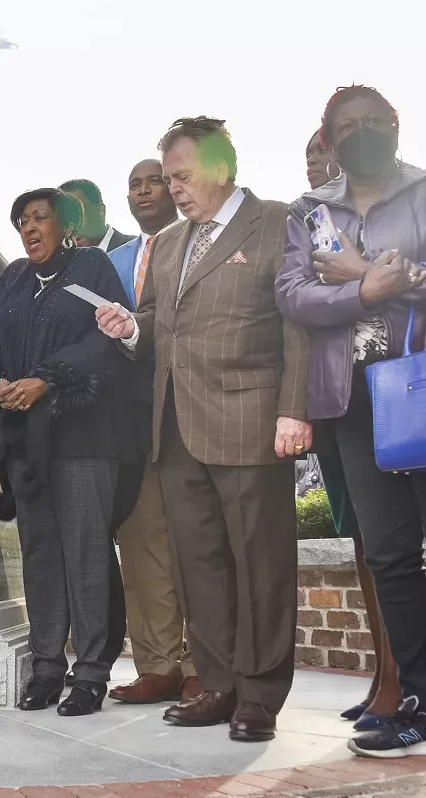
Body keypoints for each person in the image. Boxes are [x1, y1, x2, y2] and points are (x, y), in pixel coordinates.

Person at [96, 117, 310, 743]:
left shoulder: (275, 220)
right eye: (168, 178)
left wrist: (294, 409)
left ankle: (260, 695)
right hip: (177, 428)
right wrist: (131, 329)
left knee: (260, 564)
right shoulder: (167, 243)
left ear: (219, 167)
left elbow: (298, 322)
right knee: (200, 567)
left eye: (182, 176)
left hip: (252, 422)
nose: (174, 189)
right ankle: (216, 685)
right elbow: (160, 321)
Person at [274, 86, 426, 758]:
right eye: (347, 126)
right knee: (390, 552)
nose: (361, 133)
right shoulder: (309, 212)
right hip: (359, 403)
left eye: (374, 122)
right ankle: (416, 699)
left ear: (396, 126)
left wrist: (368, 274)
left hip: (420, 385)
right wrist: (363, 292)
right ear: (329, 140)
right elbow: (294, 295)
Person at [0, 189, 137, 717]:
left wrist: (46, 379)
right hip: (26, 441)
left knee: (87, 550)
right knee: (39, 551)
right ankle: (47, 666)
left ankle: (90, 671)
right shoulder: (14, 279)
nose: (28, 228)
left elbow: (105, 342)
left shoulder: (91, 267)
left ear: (64, 224)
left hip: (82, 435)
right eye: (21, 220)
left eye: (39, 217)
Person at [299, 126, 400, 730]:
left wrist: (359, 278)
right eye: (309, 154)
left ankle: (401, 680)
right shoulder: (304, 226)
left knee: (395, 545)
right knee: (362, 541)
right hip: (335, 402)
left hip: (393, 396)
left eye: (326, 151)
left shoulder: (395, 212)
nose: (317, 162)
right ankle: (382, 673)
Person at [102, 160, 197, 705]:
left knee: (196, 544)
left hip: (188, 415)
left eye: (153, 180)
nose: (142, 191)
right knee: (140, 547)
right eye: (134, 183)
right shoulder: (111, 262)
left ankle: (200, 664)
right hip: (130, 425)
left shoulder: (197, 244)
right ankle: (157, 664)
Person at [61, 179, 136, 252]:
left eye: (76, 213)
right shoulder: (61, 259)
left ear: (101, 211)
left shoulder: (138, 249)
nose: (70, 226)